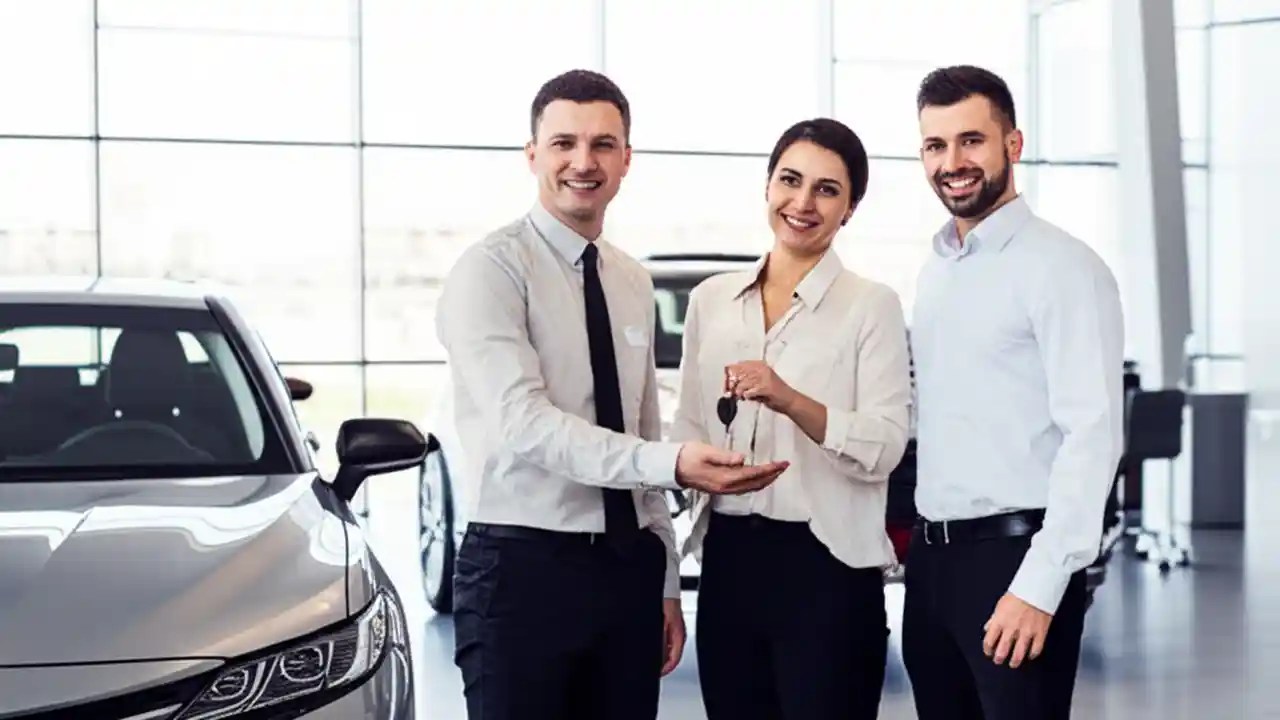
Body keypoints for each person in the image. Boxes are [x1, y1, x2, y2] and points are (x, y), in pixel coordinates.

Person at [434, 69, 790, 720]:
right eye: (564, 142)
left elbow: (640, 428)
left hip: (626, 572)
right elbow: (526, 424)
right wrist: (673, 463)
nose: (583, 161)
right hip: (521, 568)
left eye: (603, 144)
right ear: (532, 154)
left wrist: (664, 586)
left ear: (626, 159)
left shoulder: (629, 279)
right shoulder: (489, 271)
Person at [670, 118, 913, 720]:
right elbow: (689, 425)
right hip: (728, 562)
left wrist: (789, 398)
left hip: (827, 570)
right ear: (768, 185)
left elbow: (886, 446)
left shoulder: (871, 306)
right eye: (790, 180)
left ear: (850, 208)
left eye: (827, 189)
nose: (803, 203)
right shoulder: (710, 301)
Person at [902, 64, 1125, 720]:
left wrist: (1042, 583)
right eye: (935, 146)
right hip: (932, 566)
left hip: (1016, 560)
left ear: (1013, 145)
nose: (953, 162)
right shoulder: (936, 269)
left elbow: (1094, 435)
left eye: (971, 140)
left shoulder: (1064, 268)